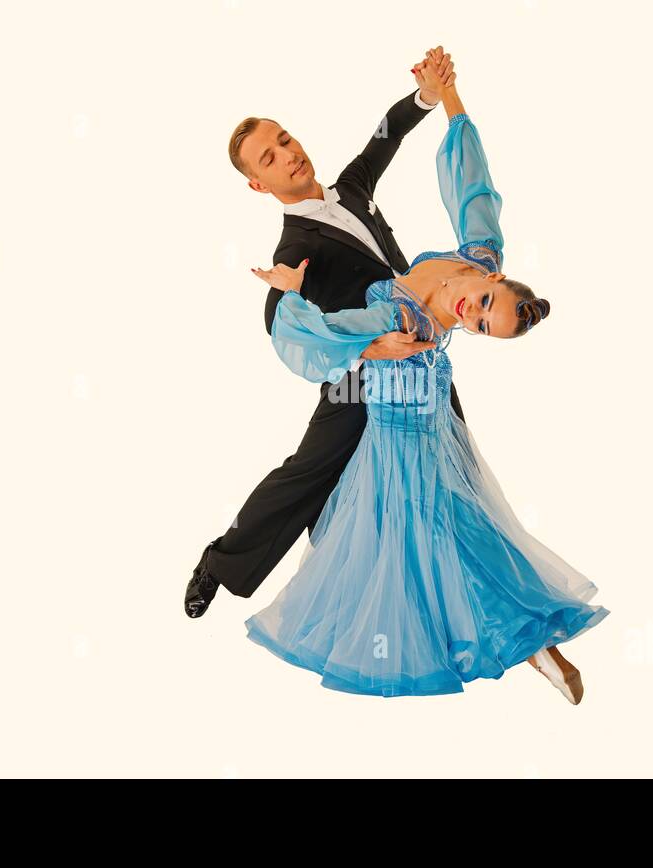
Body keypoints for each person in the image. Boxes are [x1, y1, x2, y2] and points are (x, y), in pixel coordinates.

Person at [245, 72, 610, 703]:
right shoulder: (478, 253)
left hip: (406, 424)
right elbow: (473, 189)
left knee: (427, 536)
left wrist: (323, 313)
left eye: (481, 329)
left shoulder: (407, 316)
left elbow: (328, 332)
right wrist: (448, 100)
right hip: (393, 412)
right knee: (391, 534)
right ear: (499, 279)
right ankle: (516, 646)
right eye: (484, 305)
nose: (472, 315)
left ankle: (513, 645)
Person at [185, 48, 464, 619]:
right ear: (258, 185)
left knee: (452, 454)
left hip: (418, 361)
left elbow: (383, 138)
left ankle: (449, 592)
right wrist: (362, 343)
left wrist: (427, 96)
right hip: (359, 379)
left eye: (285, 139)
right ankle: (222, 561)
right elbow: (279, 323)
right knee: (311, 471)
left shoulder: (353, 189)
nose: (288, 154)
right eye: (269, 156)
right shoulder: (295, 249)